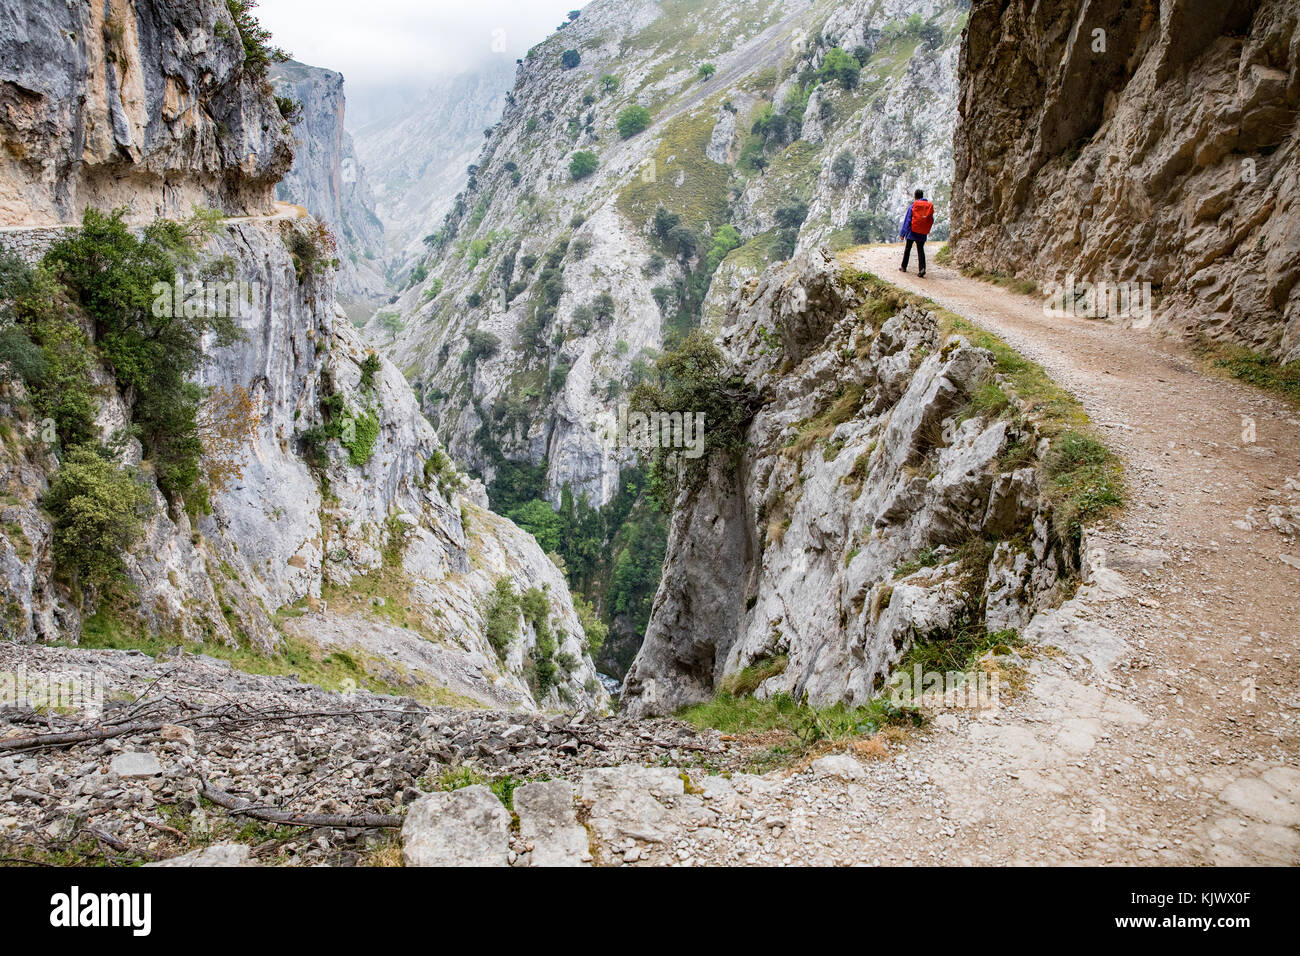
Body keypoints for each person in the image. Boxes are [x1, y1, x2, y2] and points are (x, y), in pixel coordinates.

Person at [899, 189, 934, 278]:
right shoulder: (928, 207)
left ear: (915, 196)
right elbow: (930, 219)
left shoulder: (913, 206)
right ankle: (922, 269)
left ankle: (903, 267)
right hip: (922, 232)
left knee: (908, 249)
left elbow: (908, 220)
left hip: (912, 231)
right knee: (920, 250)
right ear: (922, 196)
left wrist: (903, 233)